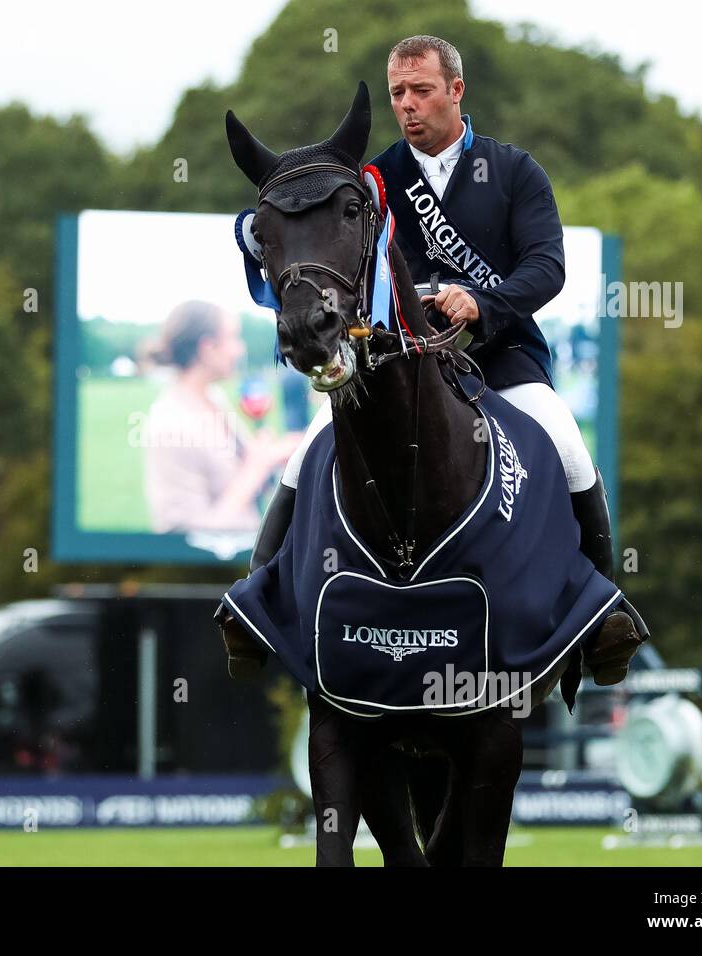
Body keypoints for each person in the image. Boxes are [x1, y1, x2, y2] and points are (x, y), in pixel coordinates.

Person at [250, 35, 647, 652]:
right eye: (397, 94)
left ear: (456, 91)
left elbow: (548, 266)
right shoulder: (375, 178)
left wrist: (483, 302)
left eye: (422, 91)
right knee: (306, 455)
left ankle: (597, 615)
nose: (408, 105)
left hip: (500, 356)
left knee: (568, 447)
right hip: (395, 357)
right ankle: (259, 604)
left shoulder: (514, 170)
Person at [141, 300, 301, 534]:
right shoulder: (170, 425)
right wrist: (257, 466)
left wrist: (288, 449)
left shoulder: (212, 397)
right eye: (233, 338)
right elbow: (187, 538)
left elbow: (242, 469)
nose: (240, 350)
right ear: (207, 348)